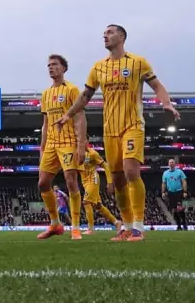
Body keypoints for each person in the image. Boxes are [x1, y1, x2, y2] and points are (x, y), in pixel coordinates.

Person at [56, 24, 181, 242]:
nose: (105, 35)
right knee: (118, 180)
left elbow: (157, 86)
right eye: (104, 33)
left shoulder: (138, 62)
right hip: (110, 130)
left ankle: (139, 227)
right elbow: (85, 96)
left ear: (122, 37)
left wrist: (167, 103)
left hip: (133, 125)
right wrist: (68, 114)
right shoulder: (98, 67)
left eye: (110, 32)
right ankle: (127, 227)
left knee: (131, 171)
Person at [37, 55, 86, 241]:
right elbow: (45, 124)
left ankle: (75, 227)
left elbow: (80, 117)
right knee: (43, 183)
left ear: (64, 68)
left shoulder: (72, 90)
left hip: (68, 142)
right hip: (51, 143)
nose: (51, 68)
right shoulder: (45, 94)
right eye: (49, 65)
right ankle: (55, 223)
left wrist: (81, 145)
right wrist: (42, 148)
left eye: (55, 64)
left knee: (70, 180)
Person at [80, 145, 121, 235]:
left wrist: (109, 182)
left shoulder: (93, 153)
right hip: (84, 182)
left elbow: (105, 166)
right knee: (98, 206)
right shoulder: (76, 152)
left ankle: (90, 229)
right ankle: (116, 222)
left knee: (86, 202)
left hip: (93, 179)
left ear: (86, 141)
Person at [162, 159, 188, 231]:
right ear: (168, 164)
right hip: (170, 193)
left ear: (175, 164)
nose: (171, 163)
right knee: (174, 210)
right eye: (170, 162)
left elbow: (184, 181)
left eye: (172, 162)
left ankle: (184, 224)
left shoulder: (179, 172)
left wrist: (185, 191)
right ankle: (179, 226)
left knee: (180, 208)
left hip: (178, 192)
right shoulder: (165, 173)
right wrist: (163, 192)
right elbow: (164, 183)